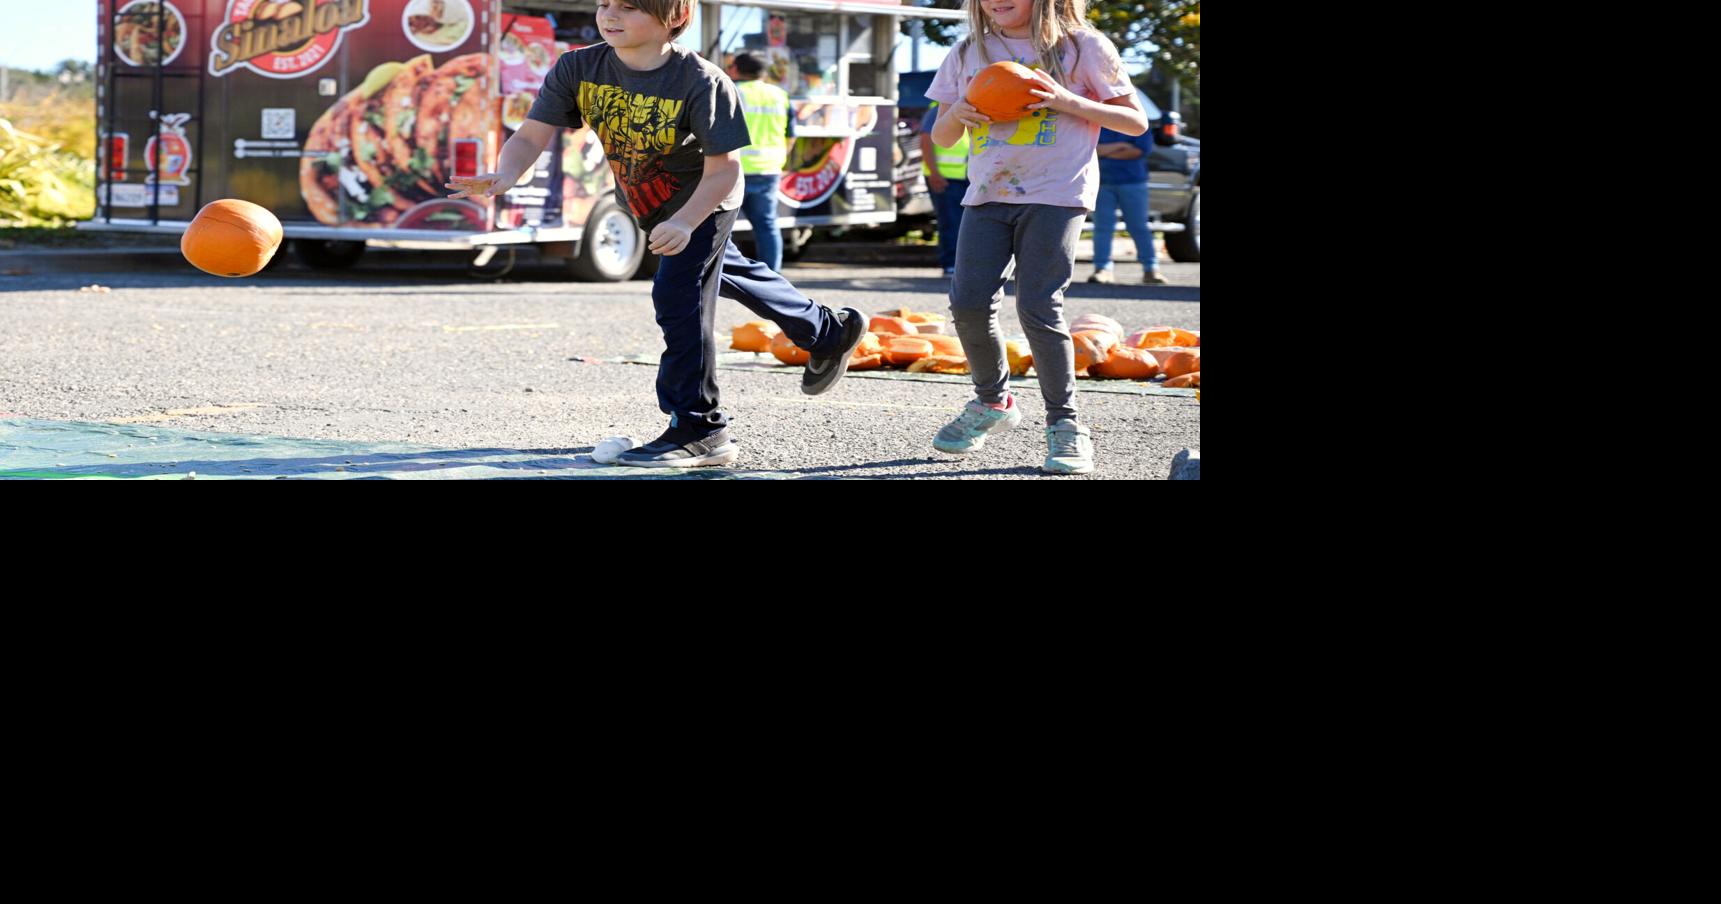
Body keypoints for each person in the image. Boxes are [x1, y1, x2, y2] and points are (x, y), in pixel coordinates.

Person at [448, 0, 866, 468]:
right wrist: (507, 174)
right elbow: (530, 134)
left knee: (678, 295)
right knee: (723, 271)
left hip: (703, 202)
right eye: (606, 3)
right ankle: (828, 331)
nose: (610, 14)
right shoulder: (578, 67)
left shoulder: (702, 81)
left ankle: (700, 428)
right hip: (650, 204)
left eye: (630, 7)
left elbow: (724, 173)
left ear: (673, 19)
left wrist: (686, 221)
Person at [924, 0, 1149, 475]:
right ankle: (993, 402)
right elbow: (942, 136)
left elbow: (1135, 122)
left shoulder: (1082, 46)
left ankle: (1065, 425)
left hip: (1058, 193)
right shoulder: (969, 50)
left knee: (1038, 307)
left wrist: (1064, 100)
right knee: (966, 303)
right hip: (987, 194)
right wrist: (961, 112)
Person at [729, 52, 793, 272]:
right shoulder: (780, 95)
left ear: (736, 70)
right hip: (769, 168)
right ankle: (773, 276)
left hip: (735, 170)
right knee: (767, 226)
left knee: (722, 226)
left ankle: (723, 273)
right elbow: (790, 134)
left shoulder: (734, 91)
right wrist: (781, 159)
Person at [1089, 124, 1167, 285]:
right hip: (1101, 182)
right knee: (1102, 227)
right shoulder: (1097, 121)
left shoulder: (1139, 123)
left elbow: (1138, 151)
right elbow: (1092, 150)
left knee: (1138, 226)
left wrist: (1106, 151)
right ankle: (1102, 269)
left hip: (1133, 182)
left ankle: (1151, 269)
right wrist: (1121, 146)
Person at [918, 101, 970, 278]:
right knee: (951, 222)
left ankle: (960, 265)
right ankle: (950, 264)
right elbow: (925, 140)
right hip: (945, 177)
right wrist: (934, 173)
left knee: (964, 224)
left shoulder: (968, 105)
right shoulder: (940, 109)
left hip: (965, 177)